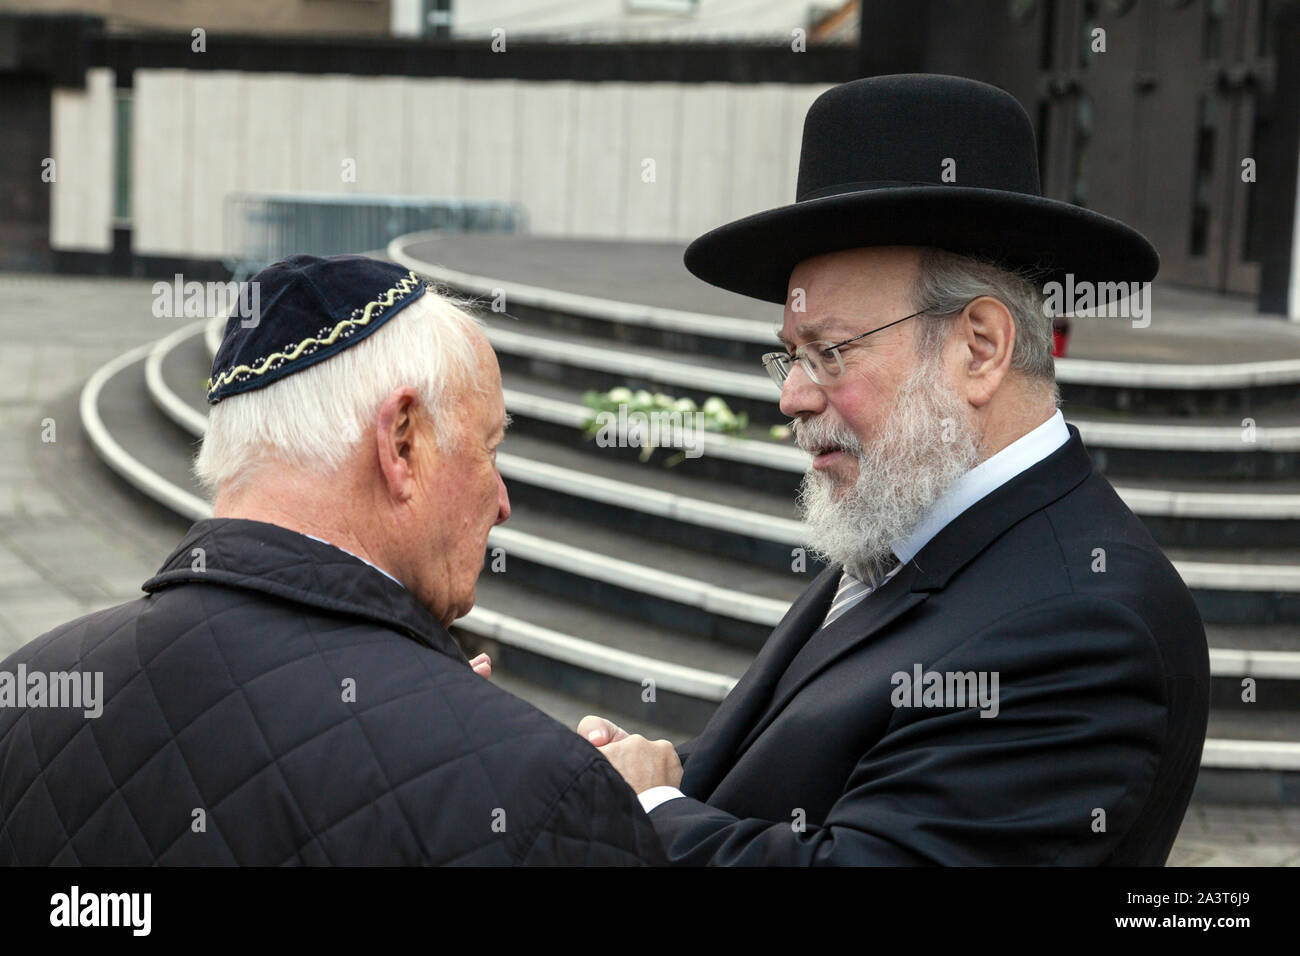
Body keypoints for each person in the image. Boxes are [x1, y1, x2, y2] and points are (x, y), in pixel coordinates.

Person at [581, 74, 1210, 865]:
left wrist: (651, 809)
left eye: (831, 352)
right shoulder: (914, 519)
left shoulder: (1084, 629)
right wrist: (657, 775)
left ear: (980, 348)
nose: (792, 397)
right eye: (791, 355)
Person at [0, 254, 664, 866]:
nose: (502, 502)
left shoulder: (25, 691)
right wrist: (486, 749)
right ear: (402, 443)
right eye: (488, 450)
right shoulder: (547, 795)